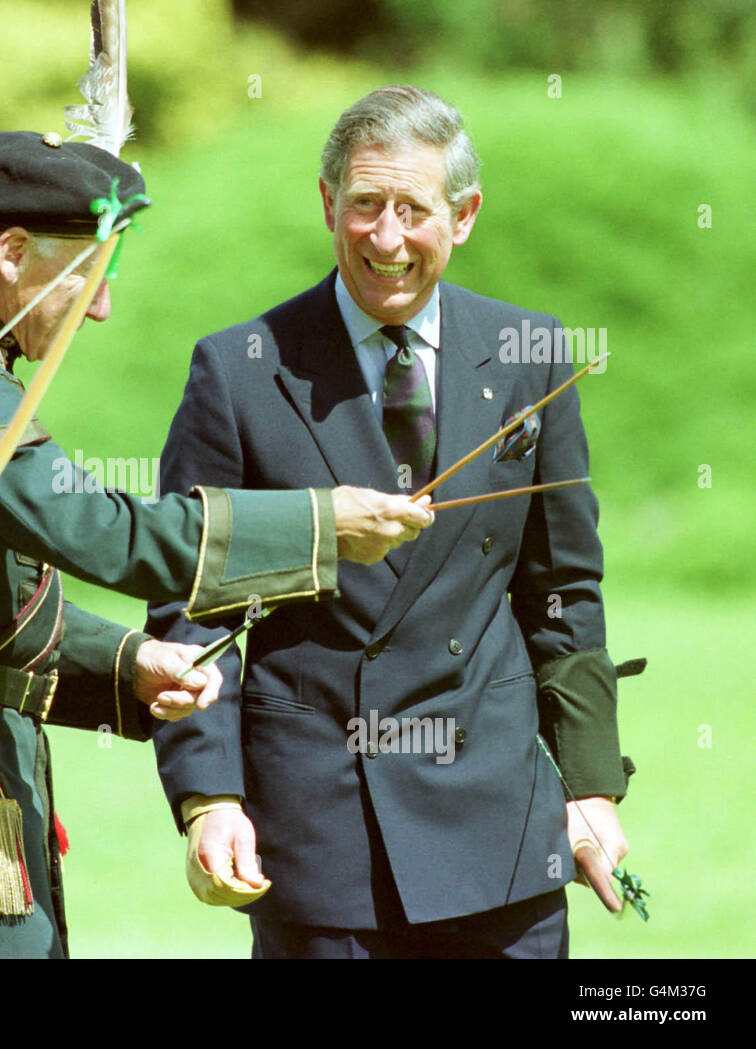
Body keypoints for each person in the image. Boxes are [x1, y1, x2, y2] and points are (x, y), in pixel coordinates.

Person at [0, 130, 434, 958]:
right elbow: (101, 531)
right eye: (89, 275)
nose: (103, 306)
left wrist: (126, 663)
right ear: (10, 253)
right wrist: (319, 527)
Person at [148, 86, 633, 958]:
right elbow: (192, 609)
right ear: (328, 202)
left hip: (503, 831)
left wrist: (592, 786)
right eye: (365, 205)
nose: (386, 238)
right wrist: (209, 797)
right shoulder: (239, 370)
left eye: (414, 209)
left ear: (466, 214)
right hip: (325, 840)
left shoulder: (531, 353)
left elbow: (562, 590)